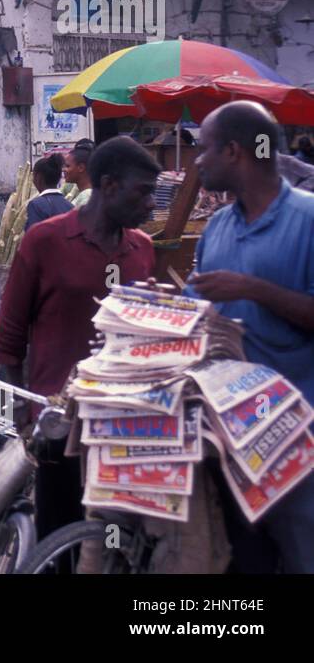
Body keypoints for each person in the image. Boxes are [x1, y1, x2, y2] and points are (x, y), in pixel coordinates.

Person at [0, 136, 159, 539]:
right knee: (59, 534)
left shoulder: (143, 249)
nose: (151, 204)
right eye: (144, 192)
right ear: (110, 186)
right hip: (58, 422)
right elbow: (11, 334)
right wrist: (19, 414)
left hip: (124, 422)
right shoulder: (45, 241)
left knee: (118, 541)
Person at [187, 101, 314, 573]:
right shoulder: (217, 227)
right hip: (231, 441)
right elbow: (197, 304)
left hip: (300, 442)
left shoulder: (308, 219)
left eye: (203, 150)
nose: (196, 161)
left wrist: (253, 290)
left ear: (235, 152)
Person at [25, 154, 73, 231]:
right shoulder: (70, 206)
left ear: (38, 178)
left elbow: (33, 238)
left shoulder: (36, 205)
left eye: (33, 176)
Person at [63, 139, 94, 208]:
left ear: (81, 168)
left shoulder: (87, 197)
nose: (63, 170)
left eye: (67, 166)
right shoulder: (82, 193)